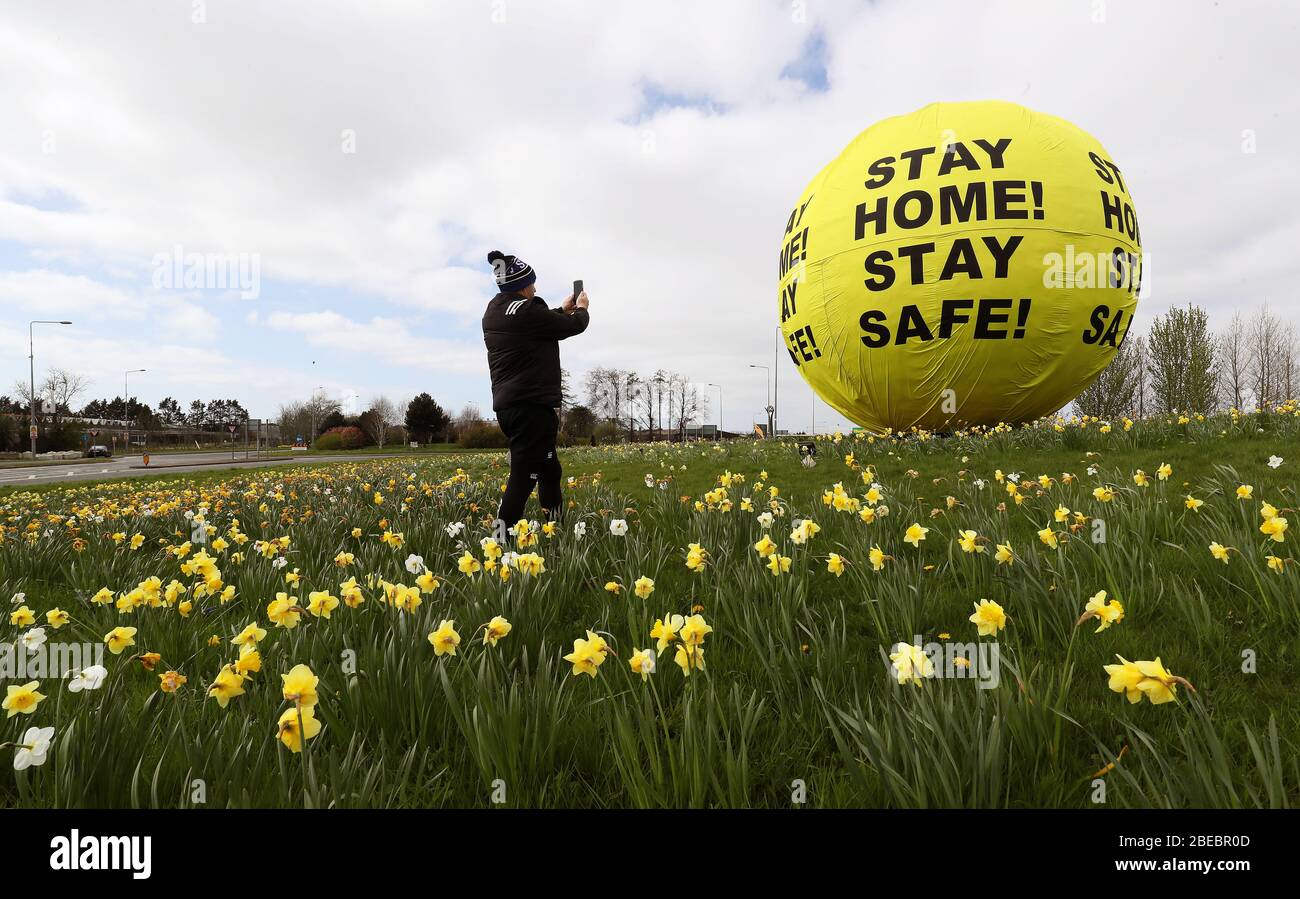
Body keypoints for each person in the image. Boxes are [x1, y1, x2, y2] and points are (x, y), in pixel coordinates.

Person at [481, 249, 589, 530]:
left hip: (512, 406)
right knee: (524, 475)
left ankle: (555, 528)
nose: (535, 287)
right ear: (520, 285)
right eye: (531, 283)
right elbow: (572, 326)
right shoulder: (527, 312)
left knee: (549, 470)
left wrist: (560, 310)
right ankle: (500, 537)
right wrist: (581, 309)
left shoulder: (495, 310)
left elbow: (536, 324)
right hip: (530, 408)